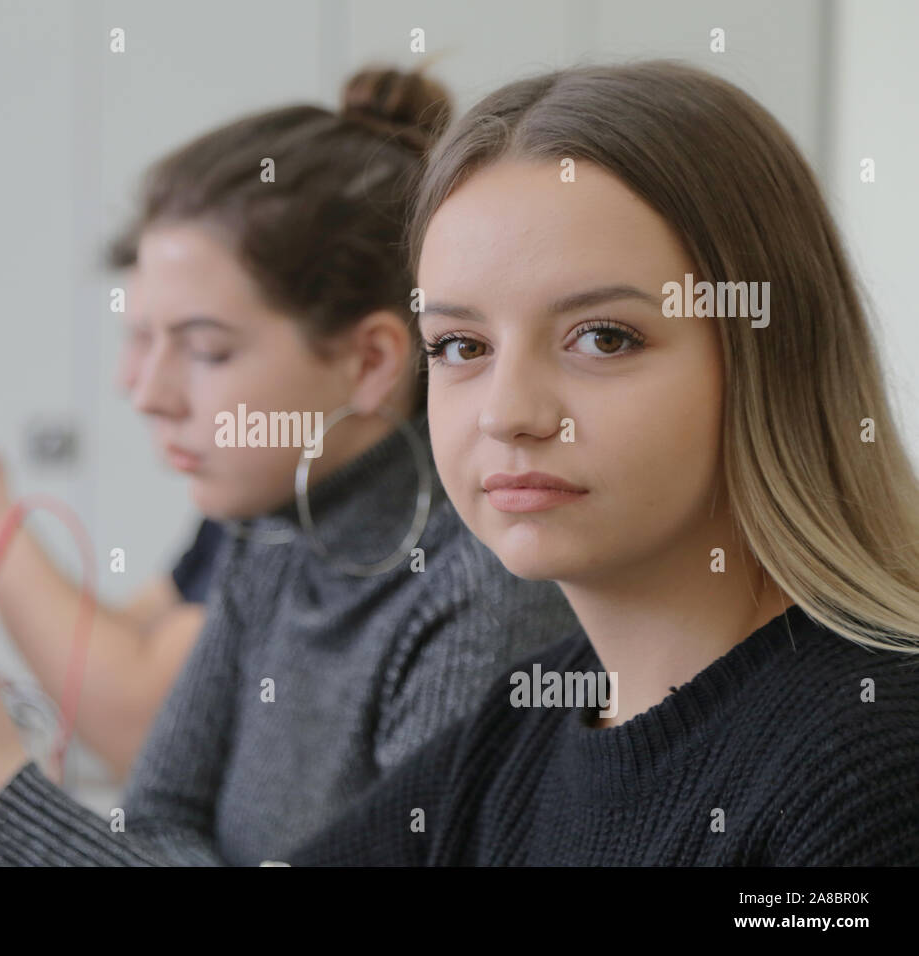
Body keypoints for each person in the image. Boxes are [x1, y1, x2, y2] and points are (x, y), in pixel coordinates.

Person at [0, 65, 579, 866]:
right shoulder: (275, 528)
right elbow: (157, 817)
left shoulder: (486, 589)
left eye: (206, 348)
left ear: (370, 361)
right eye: (140, 338)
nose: (143, 391)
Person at [284, 60, 919, 866]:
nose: (508, 412)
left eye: (604, 337)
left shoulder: (875, 768)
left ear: (771, 357)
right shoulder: (527, 724)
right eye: (461, 346)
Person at [0, 438, 225, 781]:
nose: (134, 387)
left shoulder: (268, 516)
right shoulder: (226, 518)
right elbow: (134, 633)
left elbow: (150, 729)